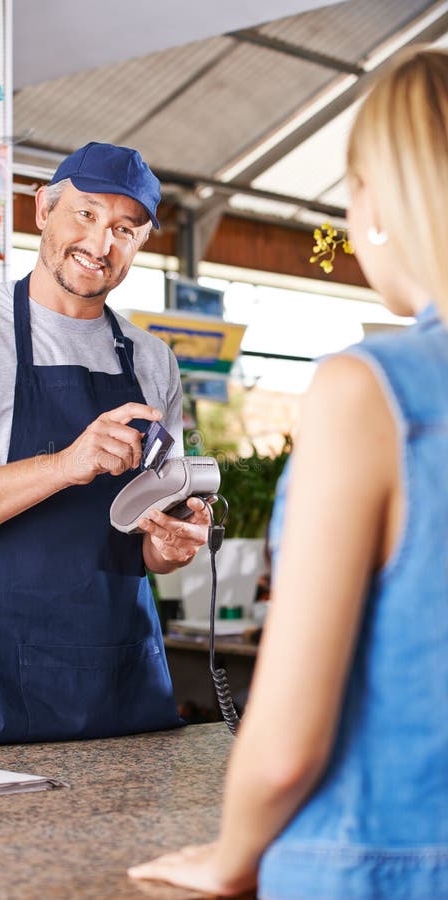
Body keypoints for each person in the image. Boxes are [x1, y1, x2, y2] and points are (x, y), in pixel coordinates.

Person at [128, 45, 448, 899]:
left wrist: (232, 855)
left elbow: (290, 736)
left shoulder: (370, 390)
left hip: (385, 863)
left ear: (380, 197)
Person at [0, 141, 209, 750]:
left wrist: (170, 546)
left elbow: (147, 545)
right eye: (85, 214)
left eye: (124, 228)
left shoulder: (152, 361)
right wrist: (66, 464)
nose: (101, 242)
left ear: (139, 243)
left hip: (123, 671)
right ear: (43, 210)